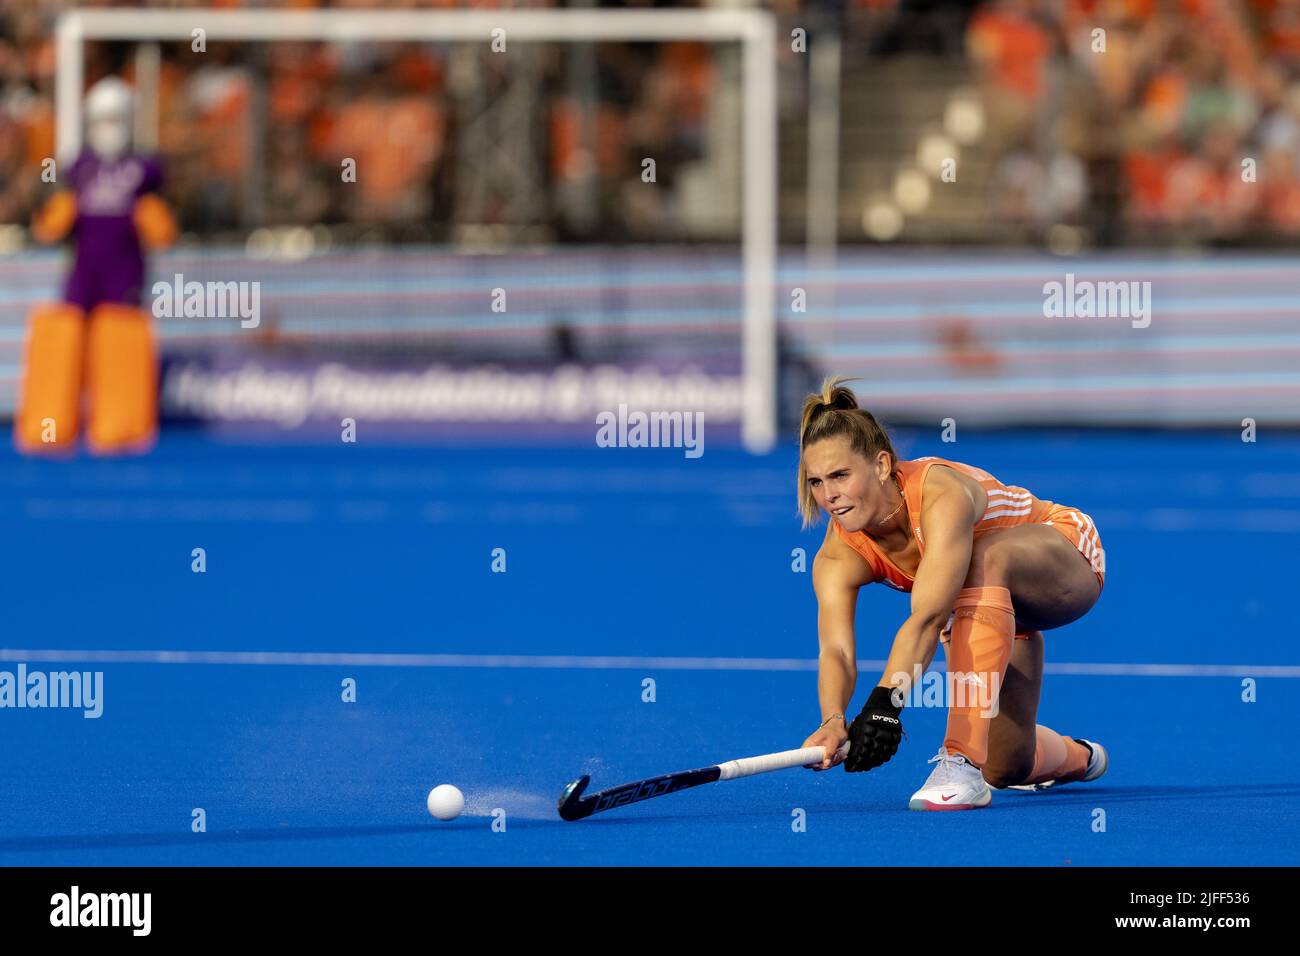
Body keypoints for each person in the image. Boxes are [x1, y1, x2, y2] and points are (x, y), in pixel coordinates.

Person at [798, 376, 1109, 810]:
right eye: (816, 482)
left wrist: (886, 703)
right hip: (991, 610)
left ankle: (959, 760)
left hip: (1066, 559)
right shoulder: (836, 557)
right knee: (1006, 766)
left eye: (840, 476)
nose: (830, 496)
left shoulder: (940, 493)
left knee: (978, 561)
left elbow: (926, 618)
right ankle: (1082, 757)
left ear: (883, 465)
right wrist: (834, 719)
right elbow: (837, 651)